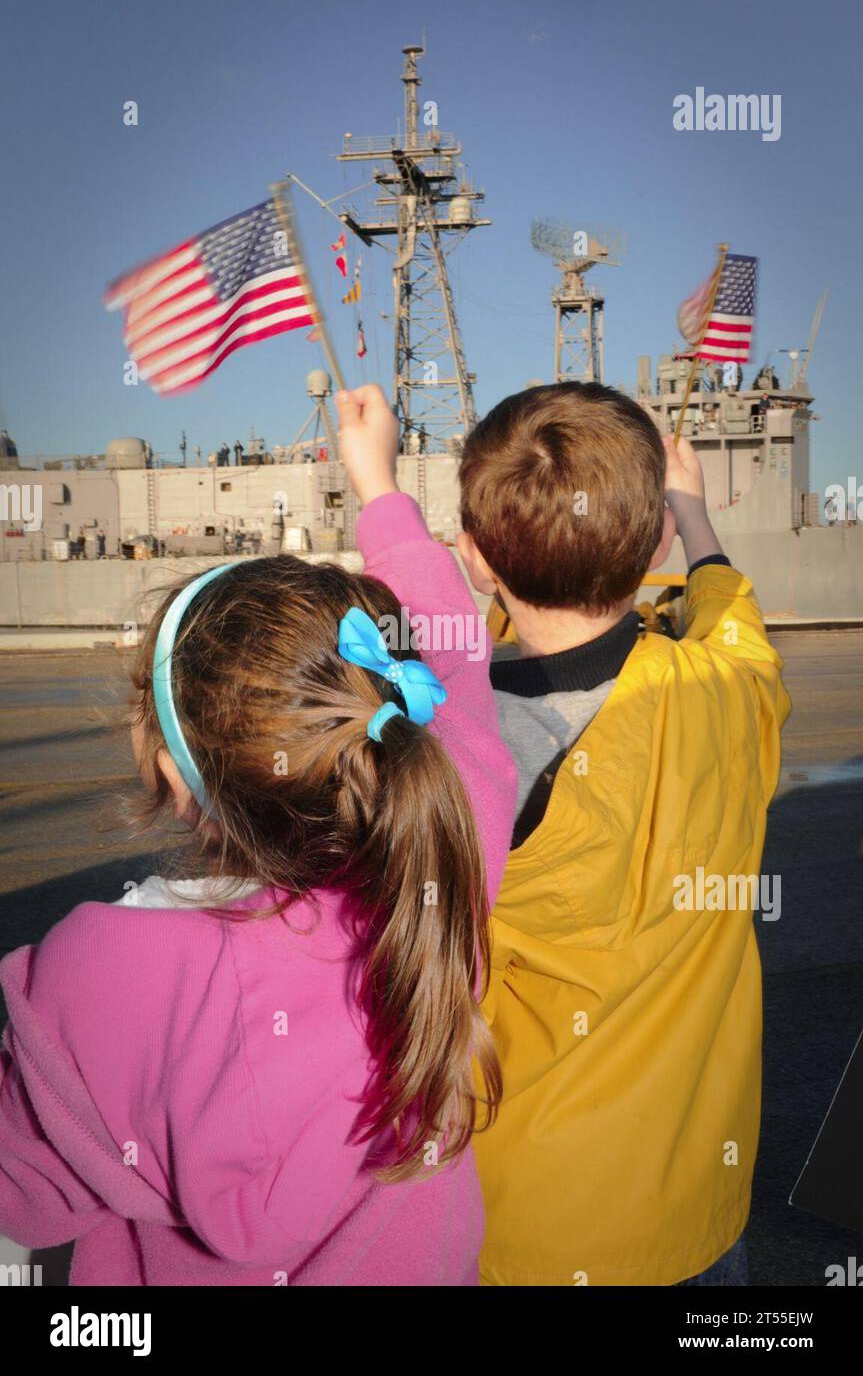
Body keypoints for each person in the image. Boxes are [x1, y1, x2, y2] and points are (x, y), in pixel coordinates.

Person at [0, 384, 517, 1287]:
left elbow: (24, 1195)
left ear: (169, 771)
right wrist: (381, 491)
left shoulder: (95, 972)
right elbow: (458, 678)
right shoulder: (442, 858)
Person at [456, 381, 790, 1286]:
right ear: (649, 551)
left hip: (527, 1229)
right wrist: (693, 519)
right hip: (698, 1216)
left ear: (478, 558)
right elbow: (737, 629)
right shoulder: (730, 692)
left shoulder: (461, 755)